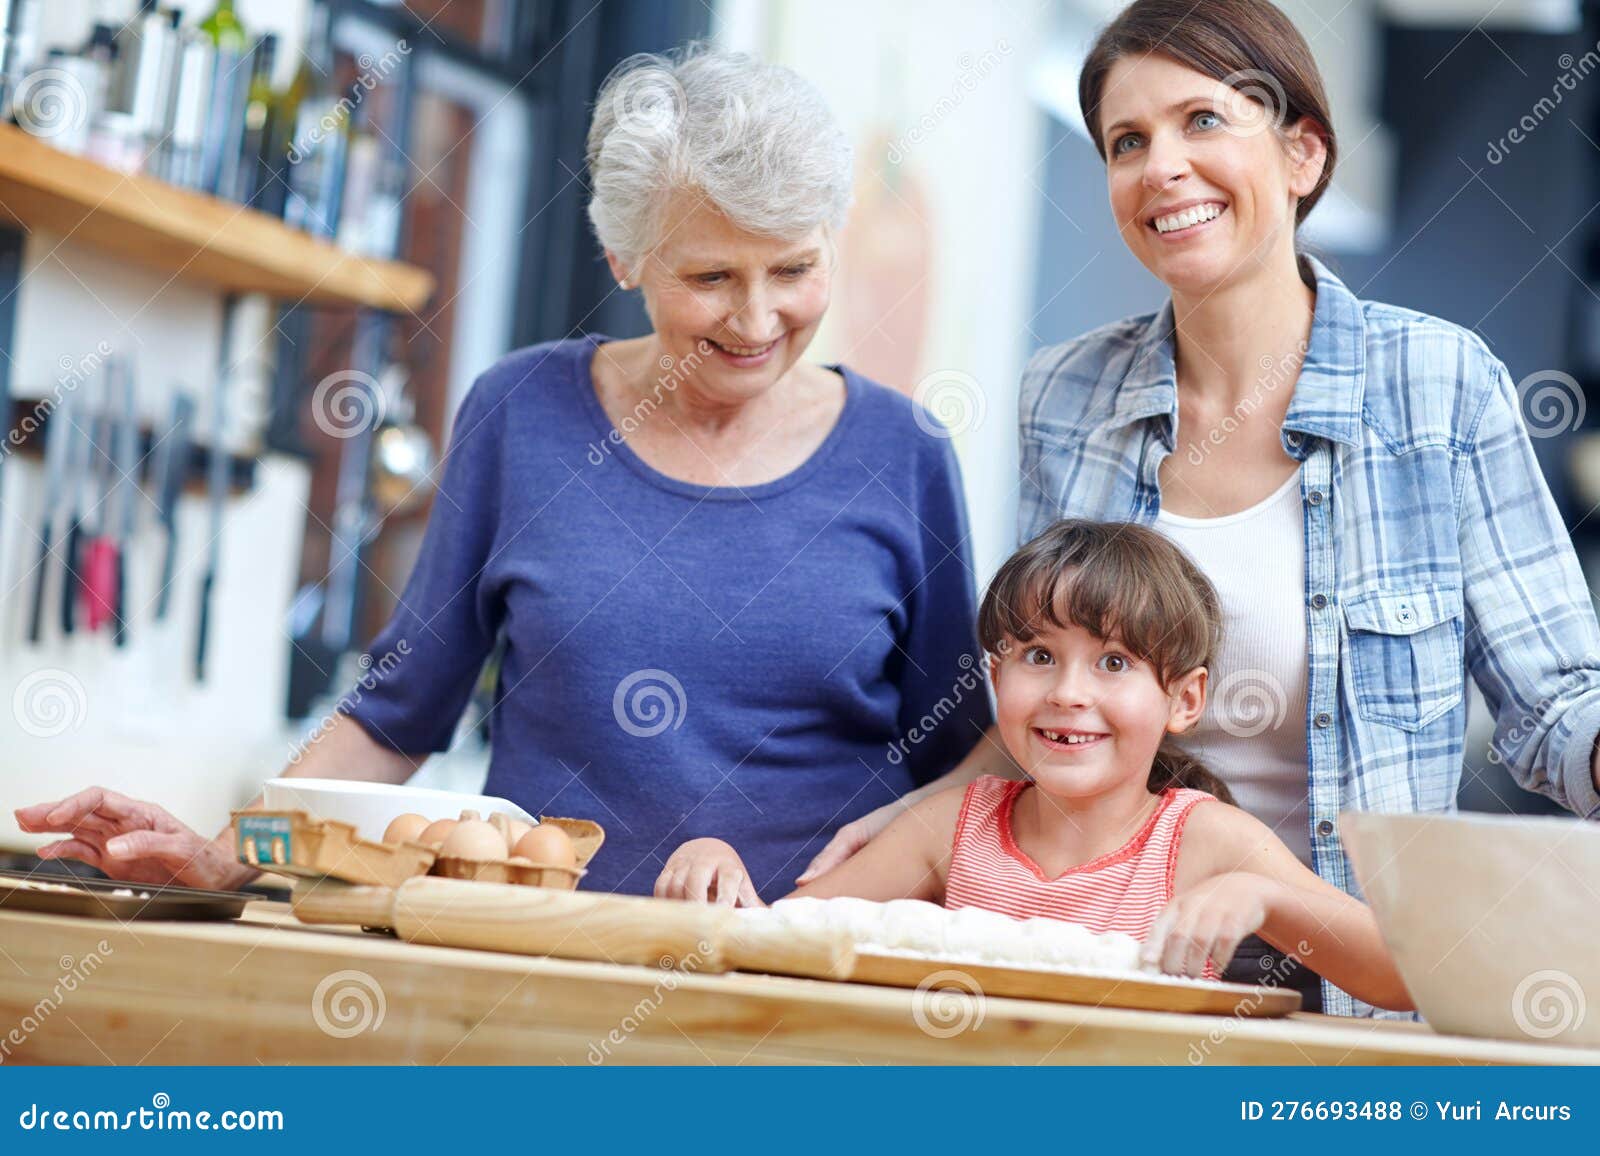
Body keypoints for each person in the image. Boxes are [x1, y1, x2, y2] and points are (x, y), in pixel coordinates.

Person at [15, 45, 990, 900]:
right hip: (533, 960)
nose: (756, 318)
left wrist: (844, 901)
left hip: (805, 988)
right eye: (708, 278)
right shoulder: (523, 414)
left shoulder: (901, 455)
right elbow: (399, 706)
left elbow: (965, 762)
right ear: (622, 257)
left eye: (792, 270)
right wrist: (227, 856)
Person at [799, 0, 1600, 1019]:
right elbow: (1054, 685)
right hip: (1112, 984)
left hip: (1350, 990)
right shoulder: (1067, 396)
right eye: (1126, 141)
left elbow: (1557, 709)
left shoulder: (1437, 385)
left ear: (1303, 153)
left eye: (1202, 121)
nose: (1160, 166)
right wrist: (909, 824)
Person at [660, 521, 1414, 1010]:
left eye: (1114, 662)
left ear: (1184, 698)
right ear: (995, 675)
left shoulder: (1207, 842)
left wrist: (1265, 896)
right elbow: (775, 944)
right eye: (1039, 656)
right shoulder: (951, 825)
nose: (1069, 693)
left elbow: (1398, 975)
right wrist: (713, 860)